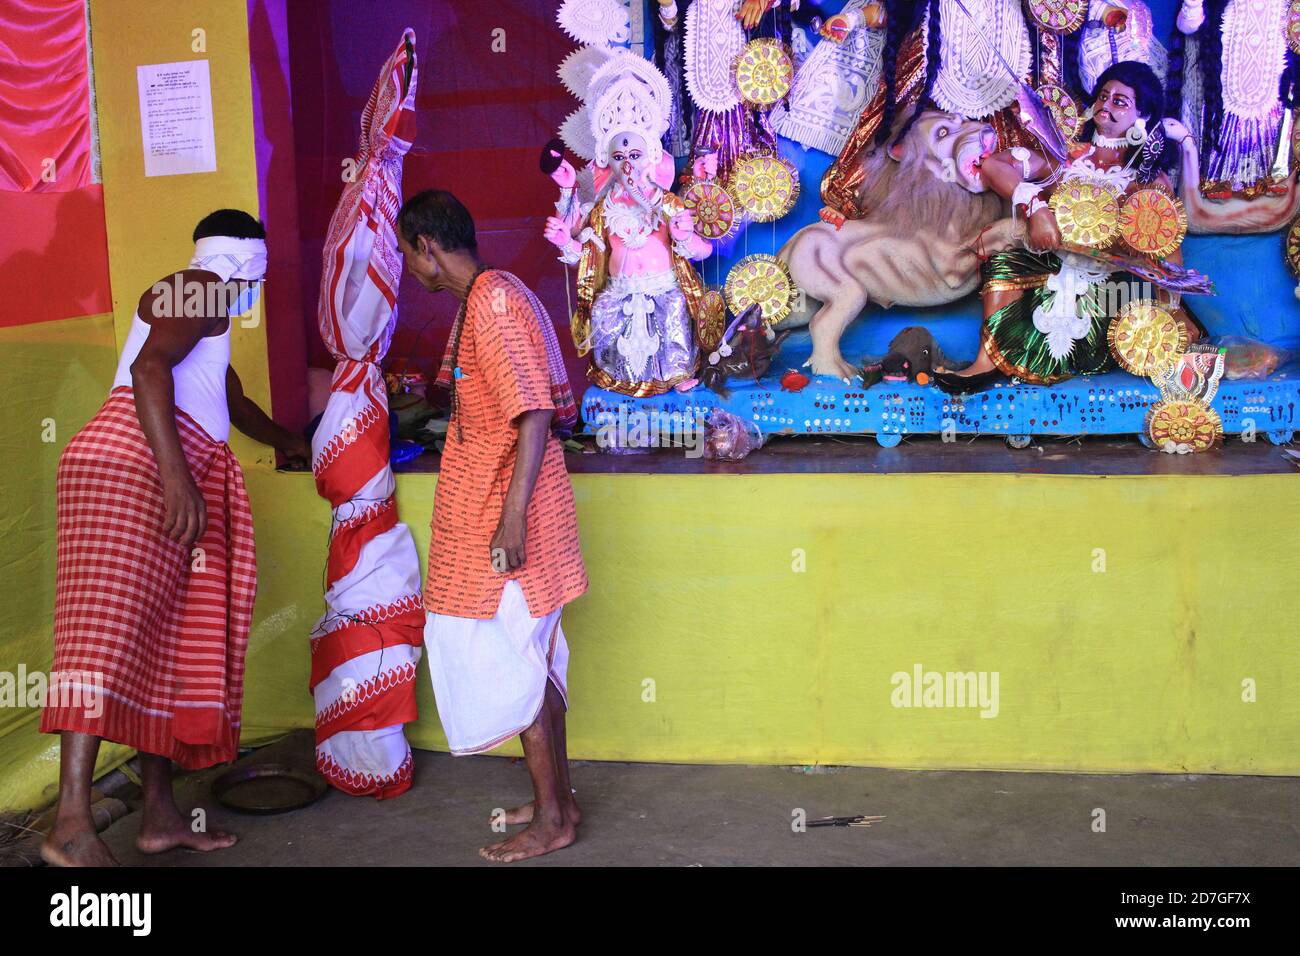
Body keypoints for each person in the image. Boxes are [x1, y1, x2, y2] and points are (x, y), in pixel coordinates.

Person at [40, 209, 309, 866]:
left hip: (155, 466)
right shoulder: (199, 289)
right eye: (261, 271)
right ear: (246, 259)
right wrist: (178, 479)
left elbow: (232, 403)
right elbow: (150, 373)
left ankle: (159, 816)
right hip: (131, 469)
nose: (258, 286)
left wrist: (296, 445)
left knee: (168, 643)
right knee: (102, 639)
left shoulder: (202, 304)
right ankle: (71, 822)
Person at [397, 189, 588, 863]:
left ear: (425, 246)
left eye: (405, 253)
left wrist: (510, 523)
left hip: (510, 524)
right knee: (529, 661)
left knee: (515, 662)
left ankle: (554, 824)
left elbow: (532, 413)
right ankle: (555, 803)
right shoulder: (488, 298)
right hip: (501, 513)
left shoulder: (494, 300)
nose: (407, 268)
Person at [933, 62, 1202, 393]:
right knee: (1005, 260)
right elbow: (992, 165)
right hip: (1051, 274)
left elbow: (1167, 253)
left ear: (1142, 117)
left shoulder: (1146, 181)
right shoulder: (1065, 159)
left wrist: (1173, 308)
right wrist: (1035, 207)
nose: (1106, 105)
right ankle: (986, 364)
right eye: (1103, 96)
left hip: (1109, 295)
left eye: (1121, 101)